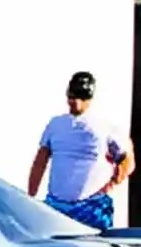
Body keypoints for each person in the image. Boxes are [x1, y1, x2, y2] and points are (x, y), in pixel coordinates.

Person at [27, 71, 135, 230]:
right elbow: (40, 161)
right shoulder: (55, 124)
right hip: (57, 206)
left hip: (92, 207)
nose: (76, 102)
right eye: (72, 96)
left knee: (96, 244)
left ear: (90, 99)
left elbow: (127, 161)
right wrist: (30, 197)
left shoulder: (105, 126)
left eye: (82, 97)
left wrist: (111, 185)